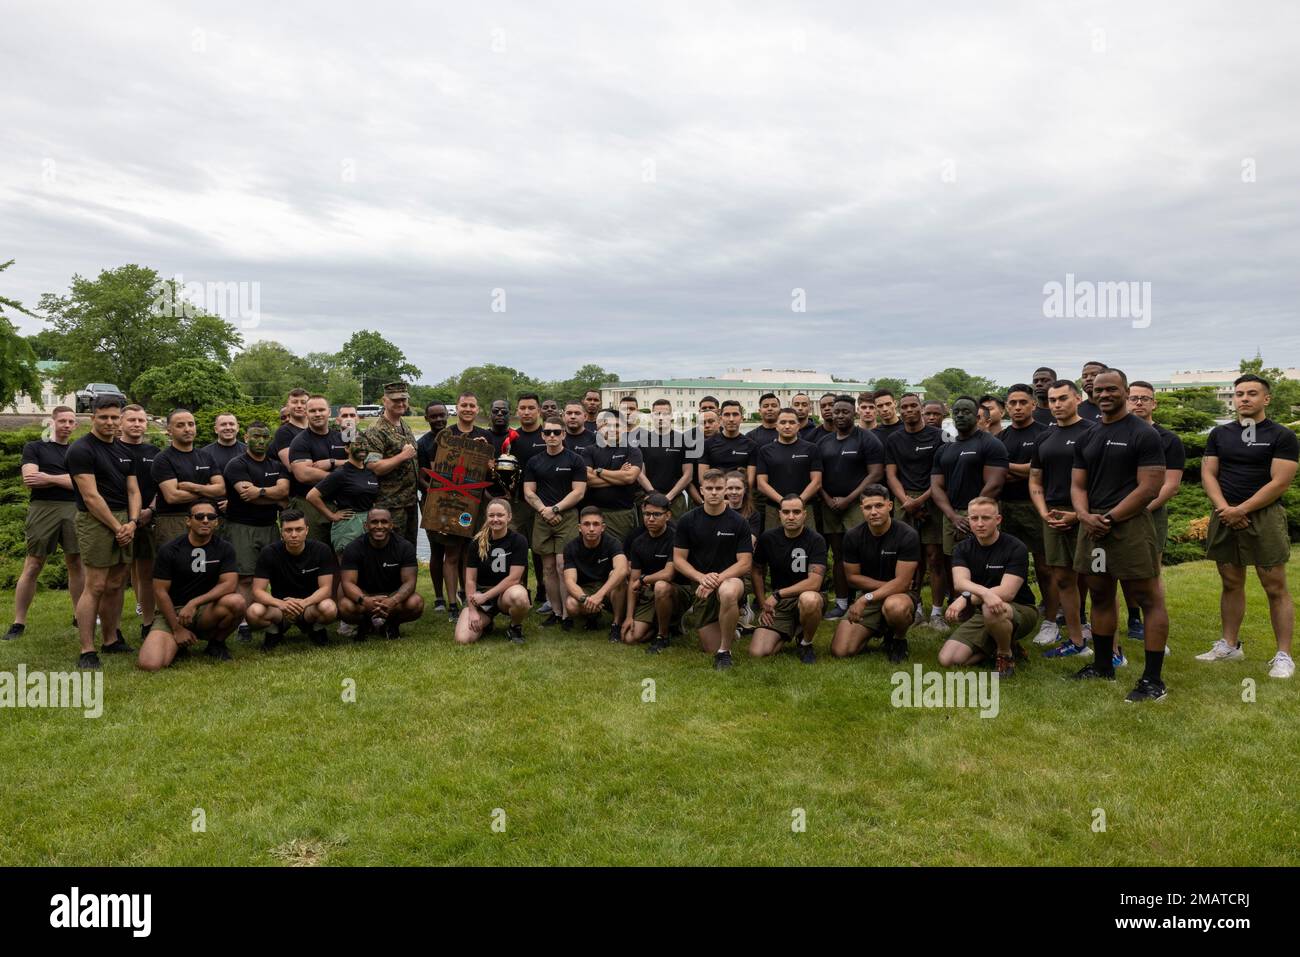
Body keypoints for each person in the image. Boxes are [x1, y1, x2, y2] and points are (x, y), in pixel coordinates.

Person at [1068, 369, 1170, 701]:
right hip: (1093, 529)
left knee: (1147, 598)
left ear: (1125, 391)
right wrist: (1084, 516)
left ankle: (1153, 680)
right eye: (1100, 390)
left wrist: (1109, 518)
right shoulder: (1088, 435)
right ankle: (1102, 666)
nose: (1105, 394)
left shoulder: (1143, 434)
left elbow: (1150, 488)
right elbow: (1078, 484)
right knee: (1099, 593)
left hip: (1128, 529)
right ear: (1092, 394)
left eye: (1113, 388)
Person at [1197, 373, 1298, 678]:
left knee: (1275, 586)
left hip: (1263, 518)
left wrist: (1242, 509)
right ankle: (1230, 645)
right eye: (1239, 393)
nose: (1243, 398)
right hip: (1224, 514)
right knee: (1230, 582)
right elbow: (1209, 475)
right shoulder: (1219, 434)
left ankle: (1283, 655)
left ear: (1266, 399)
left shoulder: (1282, 436)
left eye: (1251, 393)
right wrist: (1225, 509)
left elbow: (1280, 481)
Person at [67, 395, 140, 668]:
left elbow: (133, 490)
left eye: (114, 417)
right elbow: (90, 497)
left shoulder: (125, 451)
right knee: (95, 585)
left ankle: (111, 640)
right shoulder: (81, 450)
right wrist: (118, 526)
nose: (110, 422)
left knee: (117, 583)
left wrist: (132, 522)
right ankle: (87, 649)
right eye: (104, 417)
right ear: (92, 418)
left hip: (125, 521)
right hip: (96, 520)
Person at [1028, 380, 1097, 658]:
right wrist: (1044, 512)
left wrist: (1078, 514)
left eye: (1062, 399)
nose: (1056, 405)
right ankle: (1077, 641)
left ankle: (1112, 647)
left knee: (1097, 580)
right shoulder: (1045, 436)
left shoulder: (1093, 432)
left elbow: (1101, 480)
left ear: (1077, 399)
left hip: (1086, 514)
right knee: (1064, 580)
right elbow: (1035, 479)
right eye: (1052, 400)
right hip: (1054, 513)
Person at [937, 497, 1040, 677]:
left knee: (991, 608)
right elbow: (960, 583)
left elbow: (1007, 592)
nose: (979, 524)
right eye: (974, 518)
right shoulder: (962, 548)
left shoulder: (1016, 547)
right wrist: (981, 593)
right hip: (984, 610)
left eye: (986, 518)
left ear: (998, 520)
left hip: (1021, 610)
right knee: (948, 660)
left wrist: (966, 598)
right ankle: (1006, 646)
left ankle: (1004, 656)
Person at [7, 406, 84, 642]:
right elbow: (30, 479)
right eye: (62, 421)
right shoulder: (35, 447)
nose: (67, 425)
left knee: (76, 562)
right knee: (33, 564)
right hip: (42, 509)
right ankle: (18, 622)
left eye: (71, 421)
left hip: (74, 509)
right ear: (52, 422)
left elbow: (84, 485)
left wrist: (48, 477)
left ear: (75, 425)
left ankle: (80, 615)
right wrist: (66, 480)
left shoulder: (78, 451)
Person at [138, 502, 245, 670]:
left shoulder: (225, 548)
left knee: (237, 601)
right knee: (150, 664)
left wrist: (194, 603)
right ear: (188, 521)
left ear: (216, 522)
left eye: (211, 517)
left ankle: (216, 644)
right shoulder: (169, 550)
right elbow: (160, 592)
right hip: (173, 612)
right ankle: (179, 641)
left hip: (206, 610)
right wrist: (176, 627)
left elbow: (229, 584)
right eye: (199, 517)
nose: (205, 520)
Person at [673, 469, 754, 670]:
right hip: (701, 584)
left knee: (727, 592)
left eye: (719, 488)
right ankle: (733, 628)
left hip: (730, 580)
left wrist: (715, 580)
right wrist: (702, 578)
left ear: (725, 490)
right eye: (709, 488)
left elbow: (744, 563)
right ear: (701, 491)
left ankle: (725, 652)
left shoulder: (738, 522)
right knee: (710, 646)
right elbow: (678, 560)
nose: (714, 492)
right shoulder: (687, 520)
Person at [1123, 381, 1185, 642]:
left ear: (1154, 403)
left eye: (1144, 398)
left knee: (1150, 571)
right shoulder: (1116, 434)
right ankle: (1132, 616)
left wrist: (1138, 509)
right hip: (1115, 512)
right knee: (1122, 568)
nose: (1138, 403)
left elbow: (1170, 486)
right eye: (1134, 398)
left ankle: (1150, 622)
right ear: (1126, 401)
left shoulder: (1168, 439)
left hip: (1150, 513)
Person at [831, 485, 921, 662]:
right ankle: (878, 628)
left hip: (900, 595)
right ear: (861, 510)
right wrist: (885, 587)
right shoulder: (852, 536)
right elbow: (852, 578)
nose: (873, 512)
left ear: (889, 505)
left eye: (879, 506)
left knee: (895, 607)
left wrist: (865, 599)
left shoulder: (907, 535)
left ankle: (898, 639)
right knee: (841, 650)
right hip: (872, 595)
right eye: (868, 507)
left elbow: (903, 585)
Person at [817, 395, 885, 618]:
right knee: (837, 554)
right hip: (830, 505)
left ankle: (866, 600)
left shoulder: (867, 439)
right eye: (836, 412)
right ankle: (842, 602)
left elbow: (875, 473)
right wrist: (827, 498)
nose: (839, 416)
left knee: (863, 552)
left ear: (854, 413)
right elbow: (816, 476)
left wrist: (850, 498)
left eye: (845, 412)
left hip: (858, 504)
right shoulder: (823, 443)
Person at [427, 391, 494, 621]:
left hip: (475, 501)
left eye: (472, 405)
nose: (468, 409)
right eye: (463, 405)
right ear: (457, 408)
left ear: (477, 409)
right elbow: (438, 468)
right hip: (451, 501)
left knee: (470, 552)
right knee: (451, 554)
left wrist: (483, 453)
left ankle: (468, 596)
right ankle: (452, 604)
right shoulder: (446, 435)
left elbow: (491, 470)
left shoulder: (485, 435)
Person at [221, 421, 290, 640]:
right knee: (245, 578)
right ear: (246, 437)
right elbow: (245, 495)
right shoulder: (236, 464)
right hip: (242, 526)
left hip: (270, 526)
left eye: (264, 437)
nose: (260, 441)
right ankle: (243, 624)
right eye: (256, 436)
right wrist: (272, 496)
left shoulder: (276, 464)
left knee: (274, 576)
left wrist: (260, 492)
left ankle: (276, 618)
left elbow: (284, 493)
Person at [885, 393, 948, 631]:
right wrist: (905, 501)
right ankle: (916, 606)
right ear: (899, 411)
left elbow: (943, 472)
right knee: (910, 558)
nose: (909, 410)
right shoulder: (894, 439)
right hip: (904, 500)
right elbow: (891, 473)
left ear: (921, 409)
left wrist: (921, 500)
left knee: (935, 557)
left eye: (914, 406)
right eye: (905, 407)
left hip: (933, 496)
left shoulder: (939, 436)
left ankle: (937, 612)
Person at [997, 384, 1052, 639]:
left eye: (1022, 402)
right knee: (1008, 564)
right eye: (1012, 403)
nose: (1017, 407)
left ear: (1033, 405)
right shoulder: (1001, 437)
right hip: (1005, 506)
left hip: (1036, 506)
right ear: (1007, 407)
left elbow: (1039, 470)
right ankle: (1014, 607)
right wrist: (1023, 470)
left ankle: (1051, 617)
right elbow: (996, 473)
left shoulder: (1044, 434)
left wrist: (1011, 467)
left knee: (1044, 566)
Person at [523, 415, 588, 628]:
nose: (552, 436)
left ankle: (568, 615)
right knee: (548, 567)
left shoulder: (575, 460)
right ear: (542, 435)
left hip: (567, 516)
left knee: (562, 566)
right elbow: (528, 492)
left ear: (563, 434)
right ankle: (556, 610)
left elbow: (578, 492)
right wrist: (544, 510)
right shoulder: (534, 461)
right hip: (542, 516)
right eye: (548, 432)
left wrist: (556, 508)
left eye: (556, 432)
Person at [749, 495, 826, 663]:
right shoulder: (767, 538)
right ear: (779, 514)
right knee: (759, 652)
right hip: (781, 605)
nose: (791, 517)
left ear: (805, 514)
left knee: (809, 599)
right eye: (786, 512)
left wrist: (777, 595)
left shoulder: (816, 540)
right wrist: (763, 603)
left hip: (806, 597)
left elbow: (814, 583)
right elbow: (756, 570)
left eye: (796, 512)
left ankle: (806, 643)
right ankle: (791, 631)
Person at [930, 396, 1009, 560]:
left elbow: (995, 484)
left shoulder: (991, 444)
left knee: (983, 561)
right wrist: (953, 517)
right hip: (951, 515)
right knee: (953, 563)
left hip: (981, 515)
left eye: (966, 412)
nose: (960, 415)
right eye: (956, 412)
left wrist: (972, 516)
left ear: (978, 417)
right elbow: (936, 486)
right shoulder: (944, 449)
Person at [246, 509, 338, 649]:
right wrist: (280, 604)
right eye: (288, 530)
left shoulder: (321, 550)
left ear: (307, 530)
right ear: (281, 532)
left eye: (299, 529)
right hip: (281, 609)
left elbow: (326, 589)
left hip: (310, 607)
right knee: (253, 612)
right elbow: (258, 591)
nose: (294, 535)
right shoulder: (269, 552)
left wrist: (304, 603)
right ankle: (274, 632)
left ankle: (316, 628)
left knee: (329, 608)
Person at [337, 508, 425, 640]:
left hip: (392, 596)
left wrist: (393, 601)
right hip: (364, 595)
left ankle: (391, 624)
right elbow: (348, 582)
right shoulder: (353, 548)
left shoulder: (405, 547)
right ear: (366, 526)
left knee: (416, 603)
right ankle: (364, 624)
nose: (379, 526)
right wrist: (364, 600)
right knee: (344, 606)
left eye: (384, 522)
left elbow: (410, 582)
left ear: (391, 525)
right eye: (374, 522)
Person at [456, 497, 531, 645]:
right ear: (486, 517)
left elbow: (514, 578)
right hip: (481, 596)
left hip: (505, 594)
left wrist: (486, 596)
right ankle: (487, 622)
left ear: (509, 517)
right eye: (491, 515)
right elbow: (470, 580)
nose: (495, 519)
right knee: (462, 639)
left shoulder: (519, 540)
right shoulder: (476, 543)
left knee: (520, 596)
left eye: (500, 515)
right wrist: (472, 610)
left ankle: (515, 627)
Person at [356, 382, 420, 544]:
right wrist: (402, 456)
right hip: (390, 506)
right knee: (391, 551)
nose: (401, 403)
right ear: (385, 401)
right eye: (395, 400)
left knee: (409, 550)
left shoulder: (404, 425)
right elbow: (374, 467)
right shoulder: (376, 430)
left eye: (404, 399)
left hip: (409, 502)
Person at [623, 493, 688, 651]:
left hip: (678, 591)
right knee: (630, 638)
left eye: (656, 514)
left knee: (661, 585)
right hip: (650, 592)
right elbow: (633, 581)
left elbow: (668, 574)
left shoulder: (676, 538)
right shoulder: (638, 542)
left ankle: (663, 636)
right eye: (647, 514)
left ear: (668, 515)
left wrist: (644, 579)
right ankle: (666, 624)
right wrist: (629, 617)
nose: (650, 519)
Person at [151, 408, 225, 549]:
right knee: (175, 566)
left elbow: (221, 489)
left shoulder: (206, 456)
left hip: (206, 519)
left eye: (191, 424)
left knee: (207, 565)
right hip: (173, 520)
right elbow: (173, 496)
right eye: (180, 425)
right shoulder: (163, 459)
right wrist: (207, 489)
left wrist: (194, 487)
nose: (187, 429)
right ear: (169, 430)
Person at [117, 404, 160, 641]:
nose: (136, 424)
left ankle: (148, 622)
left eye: (141, 420)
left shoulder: (154, 451)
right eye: (131, 420)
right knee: (116, 576)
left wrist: (150, 510)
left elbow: (161, 485)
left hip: (148, 518)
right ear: (121, 423)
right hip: (118, 519)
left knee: (146, 573)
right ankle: (112, 628)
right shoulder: (111, 449)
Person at [505, 393, 549, 613]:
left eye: (531, 408)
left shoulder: (549, 434)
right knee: (518, 547)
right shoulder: (512, 438)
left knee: (540, 549)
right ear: (517, 411)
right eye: (522, 408)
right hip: (517, 502)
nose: (527, 412)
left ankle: (543, 588)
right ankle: (520, 587)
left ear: (539, 410)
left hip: (544, 502)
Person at [288, 395, 349, 544]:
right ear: (306, 413)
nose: (317, 414)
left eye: (321, 410)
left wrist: (333, 462)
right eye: (313, 410)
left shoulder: (342, 437)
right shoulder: (300, 441)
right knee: (315, 550)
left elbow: (360, 462)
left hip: (341, 503)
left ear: (329, 412)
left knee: (343, 551)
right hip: (310, 505)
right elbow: (304, 474)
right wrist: (341, 477)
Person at [562, 507, 629, 642]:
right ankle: (592, 615)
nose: (591, 529)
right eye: (587, 524)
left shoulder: (612, 542)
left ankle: (616, 624)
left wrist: (600, 595)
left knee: (618, 577)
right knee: (571, 605)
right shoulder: (570, 547)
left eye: (596, 524)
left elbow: (622, 569)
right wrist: (585, 599)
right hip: (586, 588)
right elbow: (569, 581)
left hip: (608, 588)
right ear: (579, 528)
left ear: (603, 527)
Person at [306, 434, 379, 555]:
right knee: (348, 568)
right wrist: (331, 516)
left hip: (368, 524)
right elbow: (312, 496)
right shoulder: (340, 473)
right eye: (357, 444)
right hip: (348, 527)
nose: (362, 448)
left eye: (365, 445)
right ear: (347, 448)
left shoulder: (369, 473)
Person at [580, 409, 644, 542]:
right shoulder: (589, 451)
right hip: (595, 513)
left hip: (622, 514)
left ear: (624, 428)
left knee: (621, 553)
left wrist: (599, 471)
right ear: (600, 428)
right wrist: (619, 476)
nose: (612, 429)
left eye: (617, 425)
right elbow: (588, 479)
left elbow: (630, 478)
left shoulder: (632, 451)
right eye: (608, 425)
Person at [755, 408, 823, 530]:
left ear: (798, 426)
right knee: (773, 545)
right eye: (783, 422)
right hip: (775, 508)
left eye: (791, 422)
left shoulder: (812, 449)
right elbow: (761, 483)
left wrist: (798, 503)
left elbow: (816, 482)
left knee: (807, 545)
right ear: (776, 426)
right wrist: (783, 502)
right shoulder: (765, 451)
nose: (787, 426)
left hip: (804, 507)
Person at [416, 401, 450, 611]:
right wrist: (437, 493)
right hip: (432, 502)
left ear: (448, 415)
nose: (438, 419)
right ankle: (439, 598)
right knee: (436, 549)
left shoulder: (457, 439)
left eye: (441, 415)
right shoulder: (423, 444)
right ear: (427, 418)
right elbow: (420, 477)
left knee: (460, 549)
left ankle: (463, 591)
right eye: (434, 416)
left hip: (460, 501)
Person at [637, 398, 694, 519]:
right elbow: (640, 473)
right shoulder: (642, 441)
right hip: (650, 498)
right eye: (657, 414)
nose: (661, 417)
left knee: (677, 534)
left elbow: (688, 475)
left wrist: (668, 497)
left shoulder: (684, 440)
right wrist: (654, 495)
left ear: (671, 416)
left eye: (665, 413)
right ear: (652, 416)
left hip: (675, 500)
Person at [700, 400, 756, 488]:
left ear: (741, 418)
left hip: (739, 496)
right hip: (716, 495)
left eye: (735, 414)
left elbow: (750, 482)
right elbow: (703, 479)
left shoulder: (751, 445)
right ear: (720, 419)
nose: (731, 419)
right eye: (727, 415)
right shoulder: (707, 444)